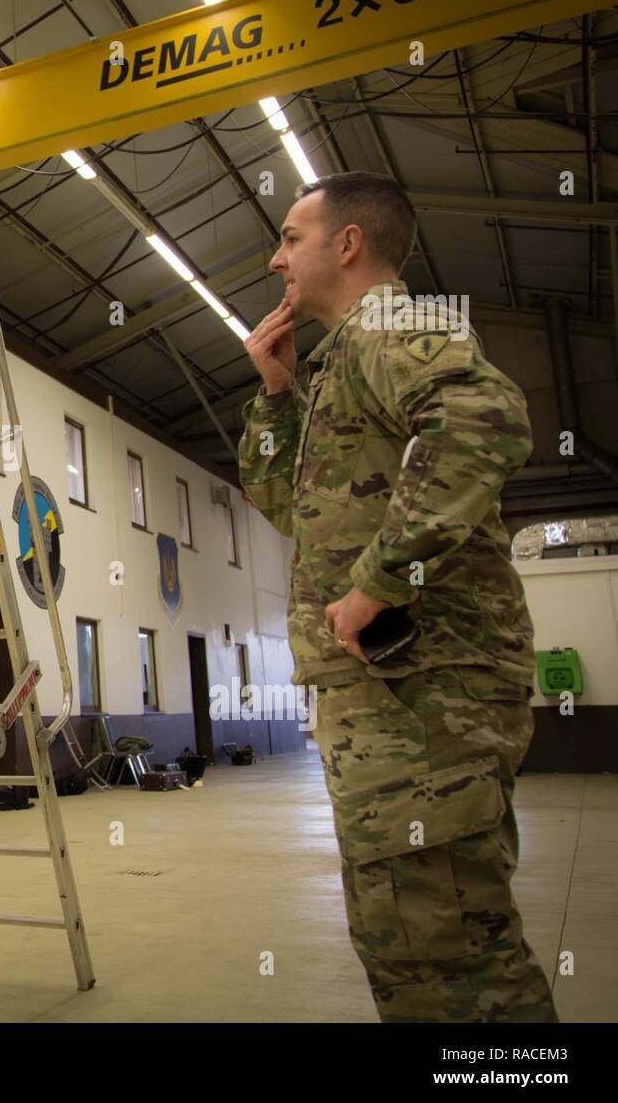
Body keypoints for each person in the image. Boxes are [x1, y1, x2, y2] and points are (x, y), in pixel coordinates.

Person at [238, 171, 558, 1023]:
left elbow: (484, 420)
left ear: (348, 244)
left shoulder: (390, 325)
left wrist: (377, 584)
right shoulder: (346, 359)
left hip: (425, 695)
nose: (276, 258)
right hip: (392, 702)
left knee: (454, 960)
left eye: (291, 238)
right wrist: (278, 397)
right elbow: (296, 514)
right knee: (412, 945)